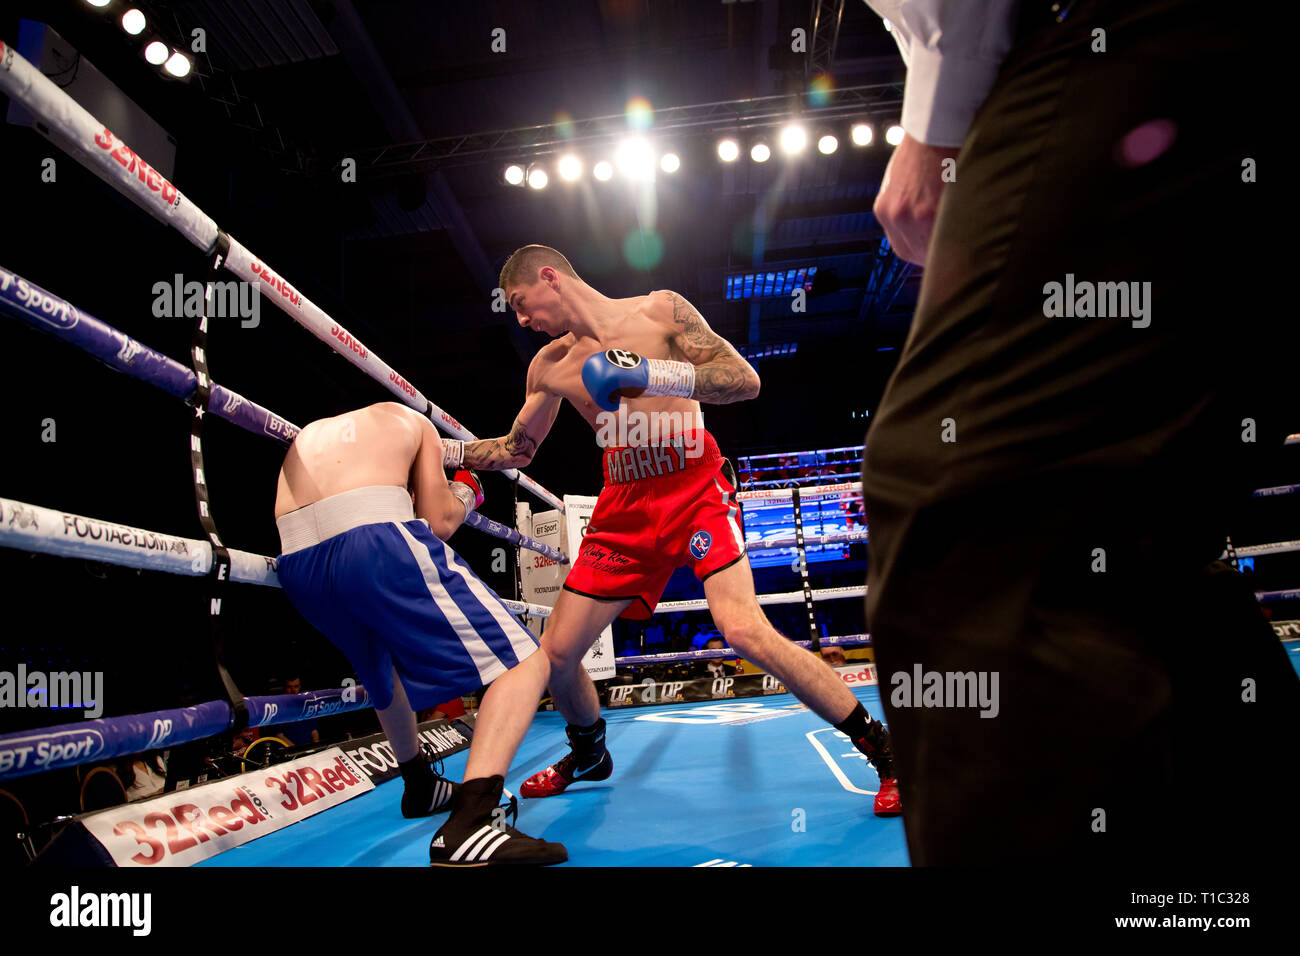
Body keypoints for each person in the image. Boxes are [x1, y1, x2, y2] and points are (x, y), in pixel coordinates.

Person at [859, 0, 1298, 864]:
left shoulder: (656, 316)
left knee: (975, 517)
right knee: (1122, 528)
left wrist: (939, 112)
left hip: (1135, 30)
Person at [452, 245, 900, 815]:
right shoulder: (549, 366)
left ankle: (886, 752)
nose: (519, 319)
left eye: (520, 304)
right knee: (559, 654)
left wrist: (652, 372)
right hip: (623, 505)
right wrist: (433, 448)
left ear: (550, 278)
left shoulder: (660, 311)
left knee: (742, 630)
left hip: (694, 483)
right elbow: (518, 449)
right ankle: (589, 753)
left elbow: (744, 381)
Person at [274, 402, 565, 865]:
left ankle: (419, 785)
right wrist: (466, 493)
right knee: (526, 662)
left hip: (299, 568)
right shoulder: (414, 422)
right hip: (373, 543)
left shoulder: (313, 429)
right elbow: (440, 521)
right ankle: (471, 823)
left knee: (379, 665)